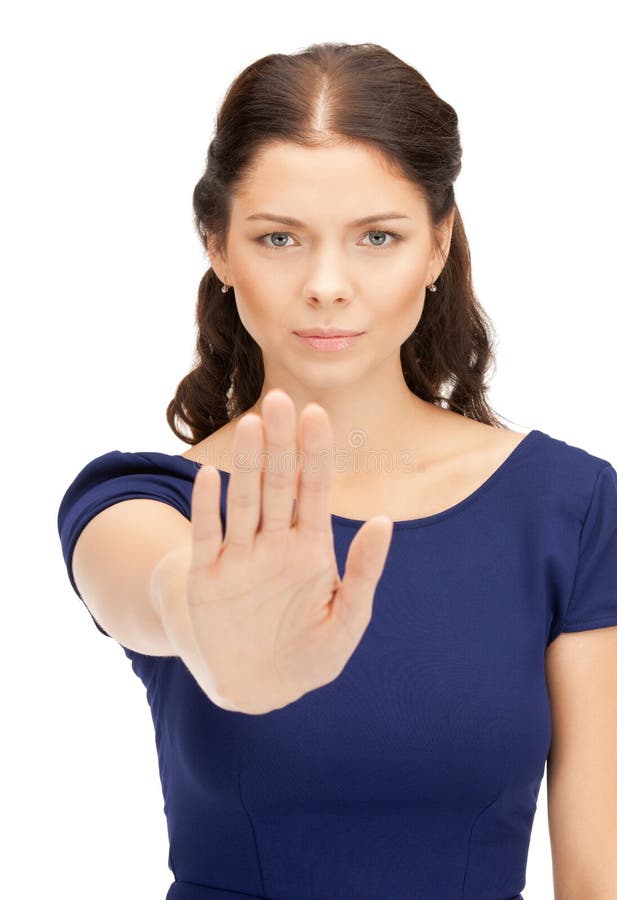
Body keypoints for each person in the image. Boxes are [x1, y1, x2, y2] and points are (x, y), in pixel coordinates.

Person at [57, 41, 617, 900]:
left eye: (376, 237)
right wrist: (199, 618)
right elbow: (146, 579)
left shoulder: (568, 509)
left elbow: (597, 875)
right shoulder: (144, 501)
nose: (326, 284)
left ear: (437, 245)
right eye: (278, 237)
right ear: (217, 246)